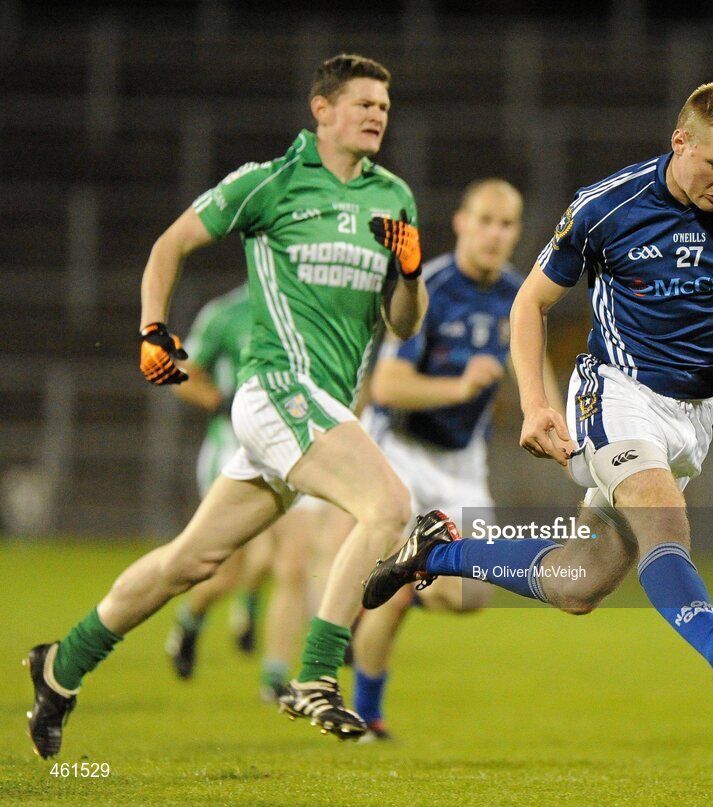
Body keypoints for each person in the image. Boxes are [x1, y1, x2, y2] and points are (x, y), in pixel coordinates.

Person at [362, 81, 713, 705]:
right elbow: (529, 302)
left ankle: (438, 551)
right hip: (614, 393)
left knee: (578, 585)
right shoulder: (607, 206)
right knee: (664, 519)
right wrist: (536, 404)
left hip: (694, 413)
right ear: (680, 143)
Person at [24, 52, 427, 758]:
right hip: (276, 390)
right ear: (322, 110)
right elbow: (169, 243)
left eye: (384, 107)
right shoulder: (270, 182)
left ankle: (61, 666)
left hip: (318, 407)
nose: (376, 115)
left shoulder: (393, 197)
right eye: (363, 103)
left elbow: (404, 323)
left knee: (189, 562)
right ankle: (314, 674)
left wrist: (412, 274)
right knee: (390, 507)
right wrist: (152, 327)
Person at [349, 178, 556, 739]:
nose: (495, 233)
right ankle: (367, 715)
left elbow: (539, 375)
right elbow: (388, 385)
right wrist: (460, 388)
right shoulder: (430, 286)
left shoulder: (519, 297)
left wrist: (558, 426)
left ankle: (403, 573)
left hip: (464, 461)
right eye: (484, 220)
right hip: (404, 453)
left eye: (506, 223)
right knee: (393, 597)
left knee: (470, 597)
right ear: (462, 222)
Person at [162, 285, 326, 704]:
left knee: (292, 564)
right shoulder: (226, 312)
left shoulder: (312, 304)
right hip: (234, 453)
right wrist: (219, 401)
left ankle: (274, 678)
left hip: (295, 450)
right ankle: (192, 617)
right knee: (225, 569)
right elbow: (184, 373)